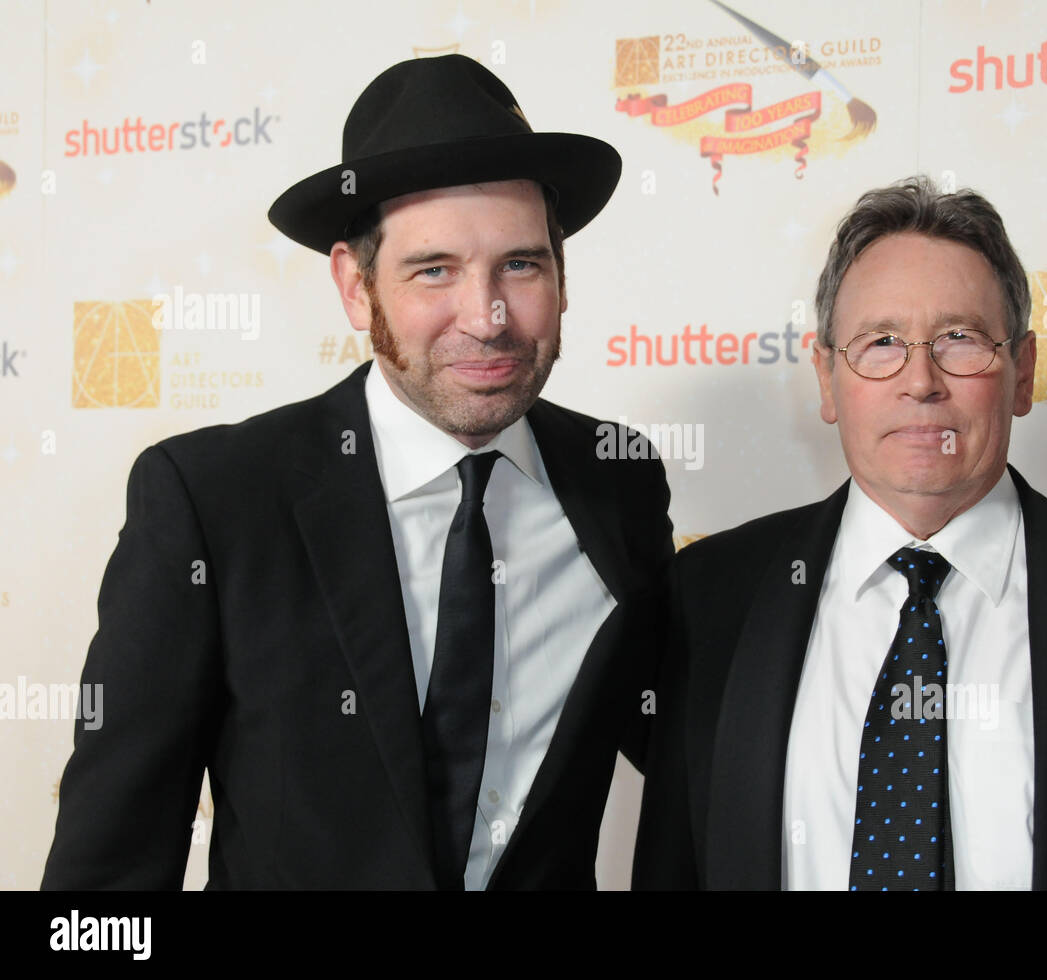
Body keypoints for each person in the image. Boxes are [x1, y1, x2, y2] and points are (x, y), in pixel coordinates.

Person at [43, 55, 672, 890]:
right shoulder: (212, 501)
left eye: (520, 265)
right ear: (353, 284)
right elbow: (108, 872)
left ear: (561, 277)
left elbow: (694, 740)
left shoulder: (616, 479)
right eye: (434, 270)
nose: (486, 319)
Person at [632, 175, 1047, 890]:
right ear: (826, 378)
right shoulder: (707, 601)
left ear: (1024, 373)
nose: (920, 381)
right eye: (881, 341)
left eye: (960, 339)